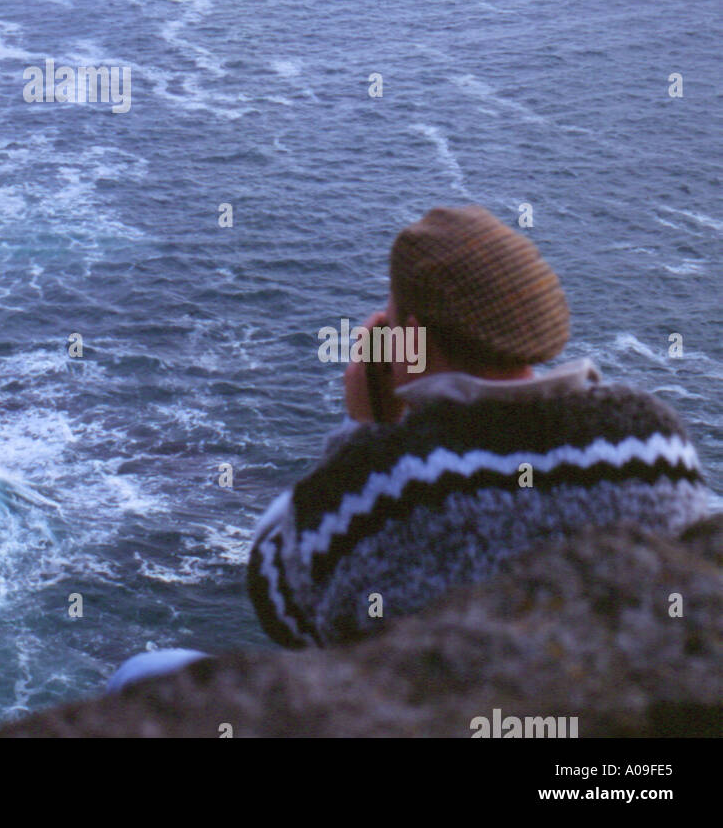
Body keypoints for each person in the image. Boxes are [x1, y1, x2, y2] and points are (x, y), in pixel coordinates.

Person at [247, 205, 713, 650]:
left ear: (411, 336)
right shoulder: (653, 438)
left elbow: (281, 603)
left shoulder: (379, 484)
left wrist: (365, 430)